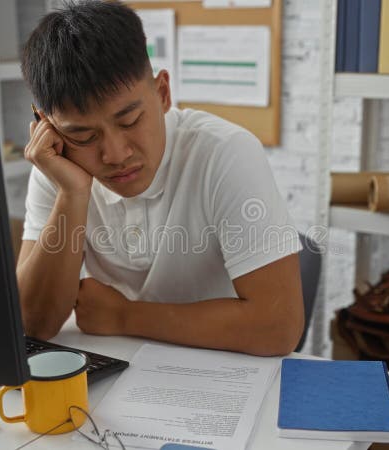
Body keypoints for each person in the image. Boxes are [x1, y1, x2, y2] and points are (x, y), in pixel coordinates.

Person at [17, 0, 304, 356]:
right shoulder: (58, 165)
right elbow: (33, 325)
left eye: (130, 121)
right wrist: (72, 194)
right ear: (49, 127)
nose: (115, 154)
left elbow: (279, 328)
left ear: (163, 93)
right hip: (118, 373)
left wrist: (124, 316)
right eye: (85, 136)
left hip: (225, 373)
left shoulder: (224, 152)